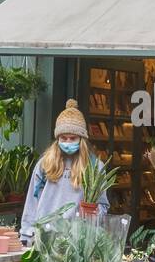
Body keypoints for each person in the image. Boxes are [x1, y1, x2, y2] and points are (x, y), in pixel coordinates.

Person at [19, 99, 110, 245]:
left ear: (82, 139)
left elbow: (103, 205)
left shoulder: (94, 167)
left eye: (73, 138)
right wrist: (26, 233)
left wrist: (92, 213)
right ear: (57, 138)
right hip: (45, 237)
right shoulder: (45, 164)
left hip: (79, 240)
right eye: (63, 138)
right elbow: (32, 200)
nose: (68, 142)